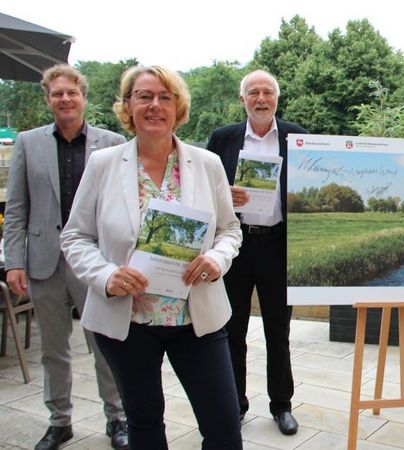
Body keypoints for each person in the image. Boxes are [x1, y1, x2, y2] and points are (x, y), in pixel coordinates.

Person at [60, 65, 243, 449]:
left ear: (179, 107)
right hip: (129, 323)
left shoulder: (206, 164)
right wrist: (106, 275)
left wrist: (216, 259)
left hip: (196, 319)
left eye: (165, 97)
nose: (154, 105)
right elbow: (75, 236)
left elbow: (230, 230)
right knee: (144, 426)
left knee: (224, 427)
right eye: (144, 96)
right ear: (128, 106)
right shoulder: (104, 164)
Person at [3, 64, 129, 450]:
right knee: (53, 351)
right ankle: (59, 422)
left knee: (106, 346)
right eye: (57, 93)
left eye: (71, 93)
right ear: (48, 99)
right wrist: (14, 262)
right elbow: (18, 208)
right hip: (45, 263)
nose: (65, 99)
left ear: (83, 97)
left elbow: (122, 205)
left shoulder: (111, 143)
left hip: (96, 263)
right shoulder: (28, 142)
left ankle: (117, 419)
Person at [206, 69, 307, 435]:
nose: (261, 99)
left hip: (279, 244)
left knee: (278, 330)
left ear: (277, 99)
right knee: (231, 328)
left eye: (267, 92)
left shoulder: (298, 137)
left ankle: (281, 404)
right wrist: (224, 194)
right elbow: (204, 188)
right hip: (235, 246)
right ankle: (236, 403)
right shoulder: (223, 139)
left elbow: (313, 185)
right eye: (254, 93)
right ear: (242, 99)